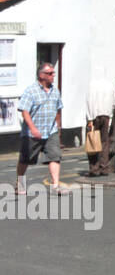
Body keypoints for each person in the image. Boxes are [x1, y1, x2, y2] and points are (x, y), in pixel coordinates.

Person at [16, 62, 68, 196]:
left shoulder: (55, 91)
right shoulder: (31, 90)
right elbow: (25, 111)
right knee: (25, 159)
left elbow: (58, 109)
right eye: (50, 73)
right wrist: (32, 128)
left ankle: (55, 186)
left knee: (55, 157)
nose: (53, 75)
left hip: (51, 131)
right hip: (33, 132)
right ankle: (19, 184)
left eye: (53, 73)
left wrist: (58, 126)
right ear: (41, 75)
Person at [84, 72, 115, 177]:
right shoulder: (110, 85)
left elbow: (89, 101)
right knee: (104, 142)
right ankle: (104, 168)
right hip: (106, 116)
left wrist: (89, 119)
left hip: (94, 116)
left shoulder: (92, 85)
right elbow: (114, 102)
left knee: (93, 141)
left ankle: (94, 169)